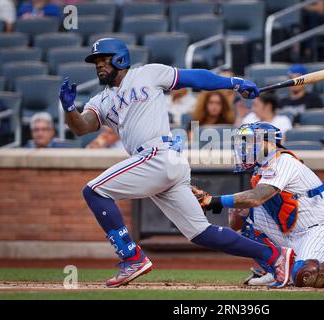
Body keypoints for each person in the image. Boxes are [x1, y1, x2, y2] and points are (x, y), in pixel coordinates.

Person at [59, 38, 295, 288]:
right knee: (201, 233)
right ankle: (276, 256)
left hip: (157, 154)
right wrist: (69, 108)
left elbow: (195, 78)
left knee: (94, 191)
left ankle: (132, 258)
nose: (98, 65)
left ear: (120, 59)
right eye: (95, 61)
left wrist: (233, 83)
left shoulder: (146, 74)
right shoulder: (100, 101)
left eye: (103, 59)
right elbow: (82, 126)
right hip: (157, 161)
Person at [192, 122, 324, 287]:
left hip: (320, 230)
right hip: (291, 234)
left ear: (270, 142)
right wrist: (236, 213)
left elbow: (256, 197)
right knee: (243, 213)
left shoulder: (283, 160)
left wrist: (214, 200)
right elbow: (237, 223)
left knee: (305, 274)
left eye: (250, 141)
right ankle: (275, 269)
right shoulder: (261, 171)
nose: (245, 147)